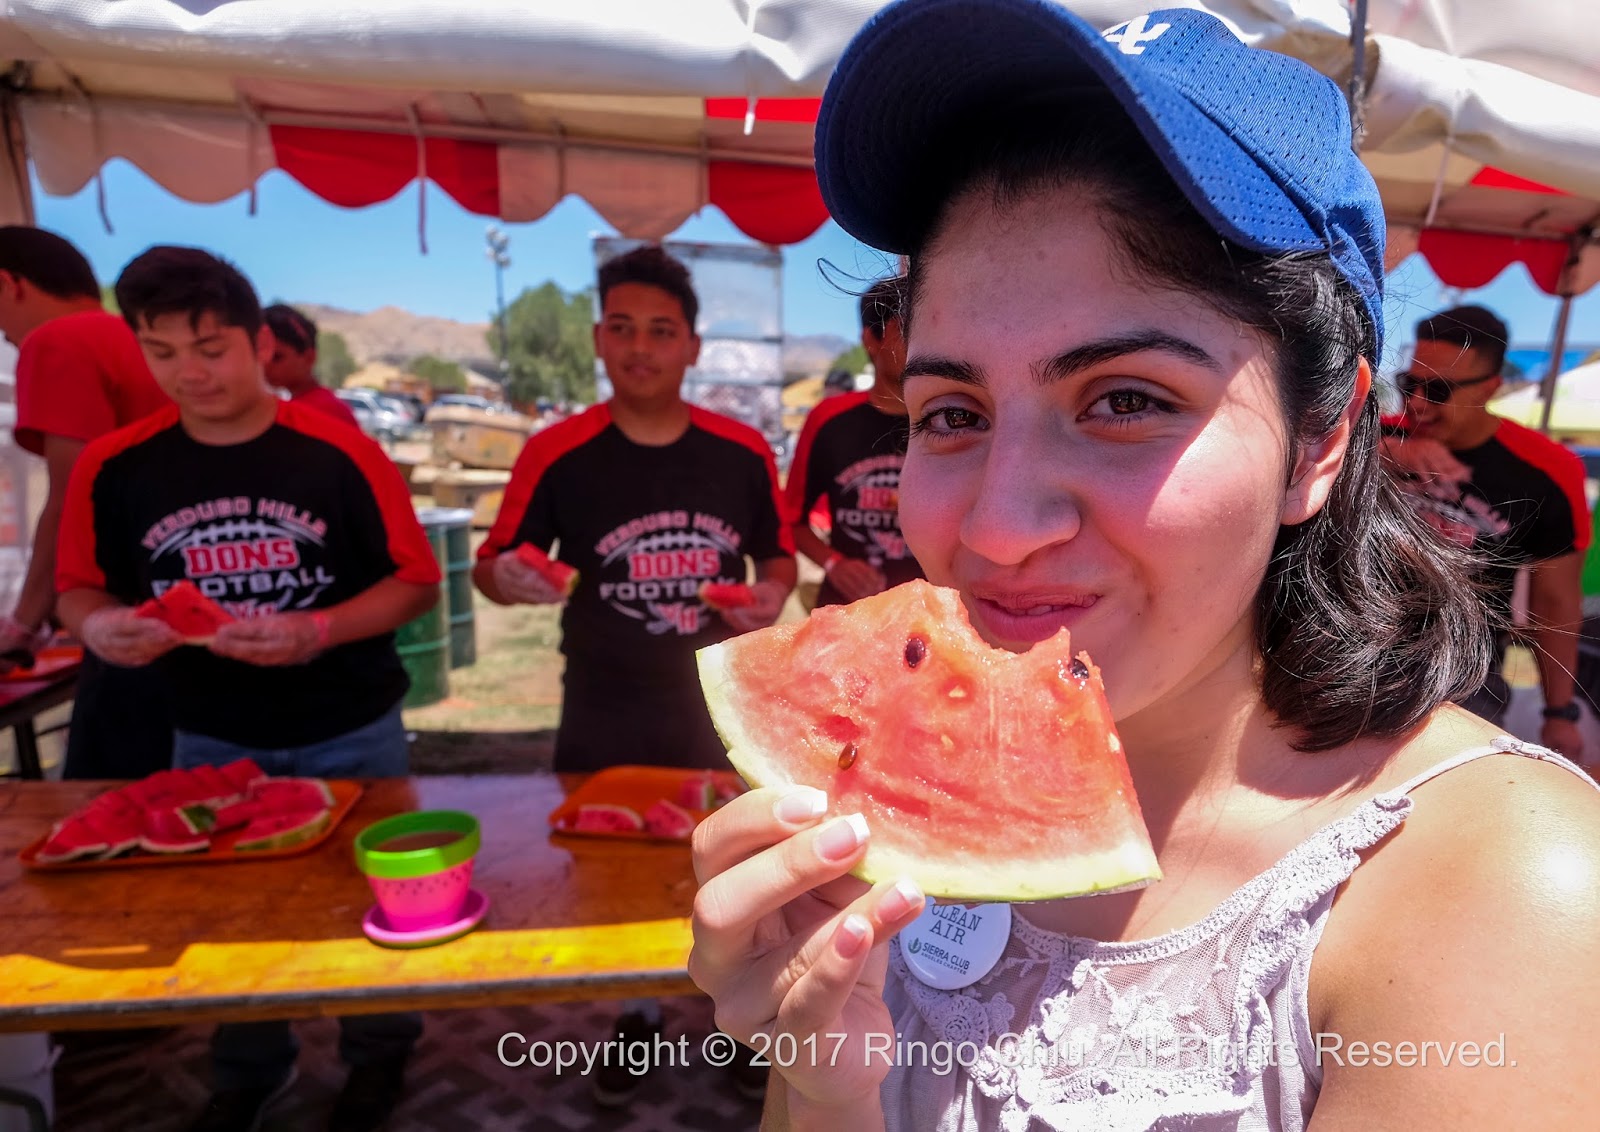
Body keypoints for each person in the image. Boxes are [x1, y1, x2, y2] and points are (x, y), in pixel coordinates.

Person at [687, 3, 1600, 1130]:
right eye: (951, 410)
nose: (1000, 526)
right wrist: (824, 1081)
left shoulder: (1514, 890)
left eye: (1126, 399)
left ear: (1319, 440)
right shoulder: (882, 806)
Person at [54, 246, 441, 1132]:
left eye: (211, 347)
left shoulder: (340, 454)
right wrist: (97, 627)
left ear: (260, 341)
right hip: (210, 733)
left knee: (379, 905)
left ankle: (378, 1057)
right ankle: (249, 1069)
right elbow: (81, 588)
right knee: (230, 917)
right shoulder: (114, 467)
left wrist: (317, 629)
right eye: (161, 352)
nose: (189, 373)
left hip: (352, 724)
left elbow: (414, 582)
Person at [473, 243, 795, 1106]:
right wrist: (502, 575)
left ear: (692, 346)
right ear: (597, 340)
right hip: (604, 698)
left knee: (741, 863)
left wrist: (767, 594)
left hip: (719, 703)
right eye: (623, 329)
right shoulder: (555, 452)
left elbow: (777, 559)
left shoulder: (739, 453)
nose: (641, 347)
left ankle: (745, 1017)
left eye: (661, 330)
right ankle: (637, 1017)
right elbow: (498, 561)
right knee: (608, 865)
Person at [0, 226, 177, 778]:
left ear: (8, 283)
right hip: (195, 592)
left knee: (113, 799)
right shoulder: (135, 338)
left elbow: (75, 494)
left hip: (129, 610)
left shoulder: (59, 342)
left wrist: (23, 626)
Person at [1382, 305, 1589, 752]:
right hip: (1346, 646)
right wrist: (1384, 452)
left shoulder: (1547, 473)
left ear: (1490, 389)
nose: (1416, 402)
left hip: (1460, 680)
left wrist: (1559, 714)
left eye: (1437, 390)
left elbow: (1555, 603)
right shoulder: (1372, 435)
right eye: (1408, 383)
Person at [786, 277, 923, 607]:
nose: (922, 343)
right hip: (845, 611)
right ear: (870, 339)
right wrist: (835, 564)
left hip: (930, 614)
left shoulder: (956, 420)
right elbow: (791, 520)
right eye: (906, 329)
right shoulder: (829, 420)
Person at [261, 303, 362, 428]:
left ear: (309, 358)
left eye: (277, 357)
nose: (266, 366)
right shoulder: (295, 407)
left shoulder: (326, 412)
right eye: (261, 357)